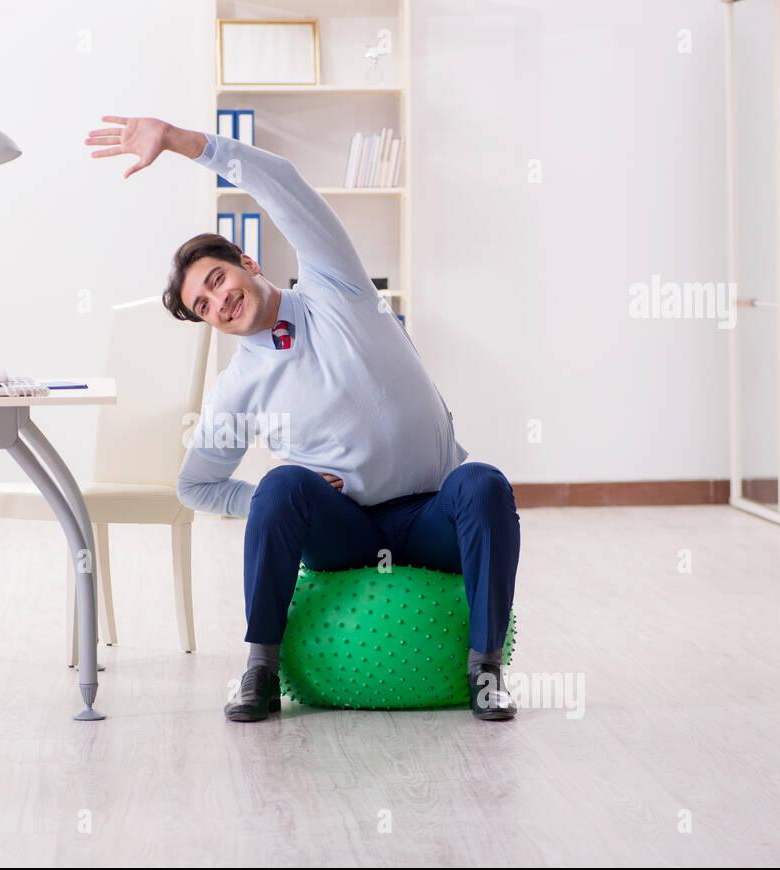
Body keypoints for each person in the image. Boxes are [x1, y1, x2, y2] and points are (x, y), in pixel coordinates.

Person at [85, 115, 521, 722]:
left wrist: (183, 142)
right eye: (204, 306)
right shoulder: (240, 384)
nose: (221, 301)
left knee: (486, 483)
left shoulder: (334, 286)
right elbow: (196, 484)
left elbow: (279, 182)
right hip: (346, 533)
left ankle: (486, 670)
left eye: (217, 280)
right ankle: (260, 671)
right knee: (282, 483)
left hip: (431, 514)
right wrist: (264, 497)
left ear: (246, 260)